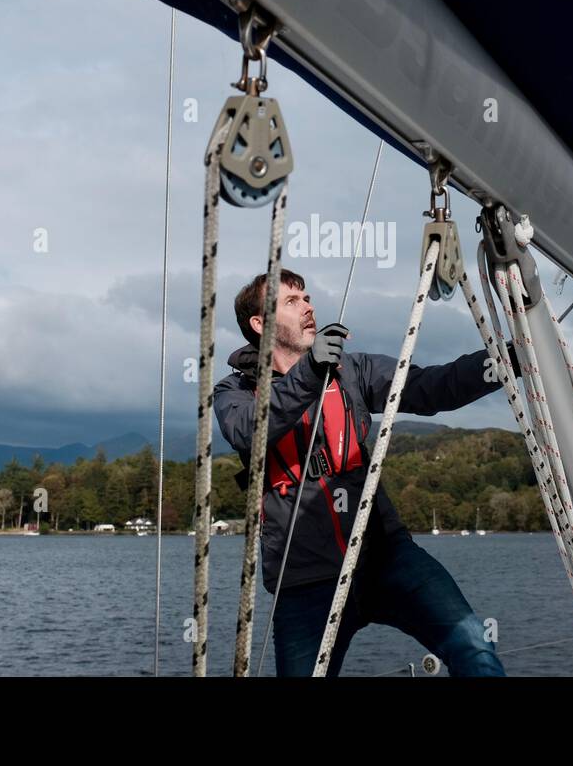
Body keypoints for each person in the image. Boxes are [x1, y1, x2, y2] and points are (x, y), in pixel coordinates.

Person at [212, 268, 512, 677]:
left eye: (307, 297)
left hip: (384, 557)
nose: (308, 306)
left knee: (475, 647)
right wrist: (311, 371)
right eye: (291, 301)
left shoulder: (352, 371)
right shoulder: (234, 392)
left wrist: (501, 363)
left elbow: (431, 386)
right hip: (303, 581)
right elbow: (248, 430)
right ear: (260, 324)